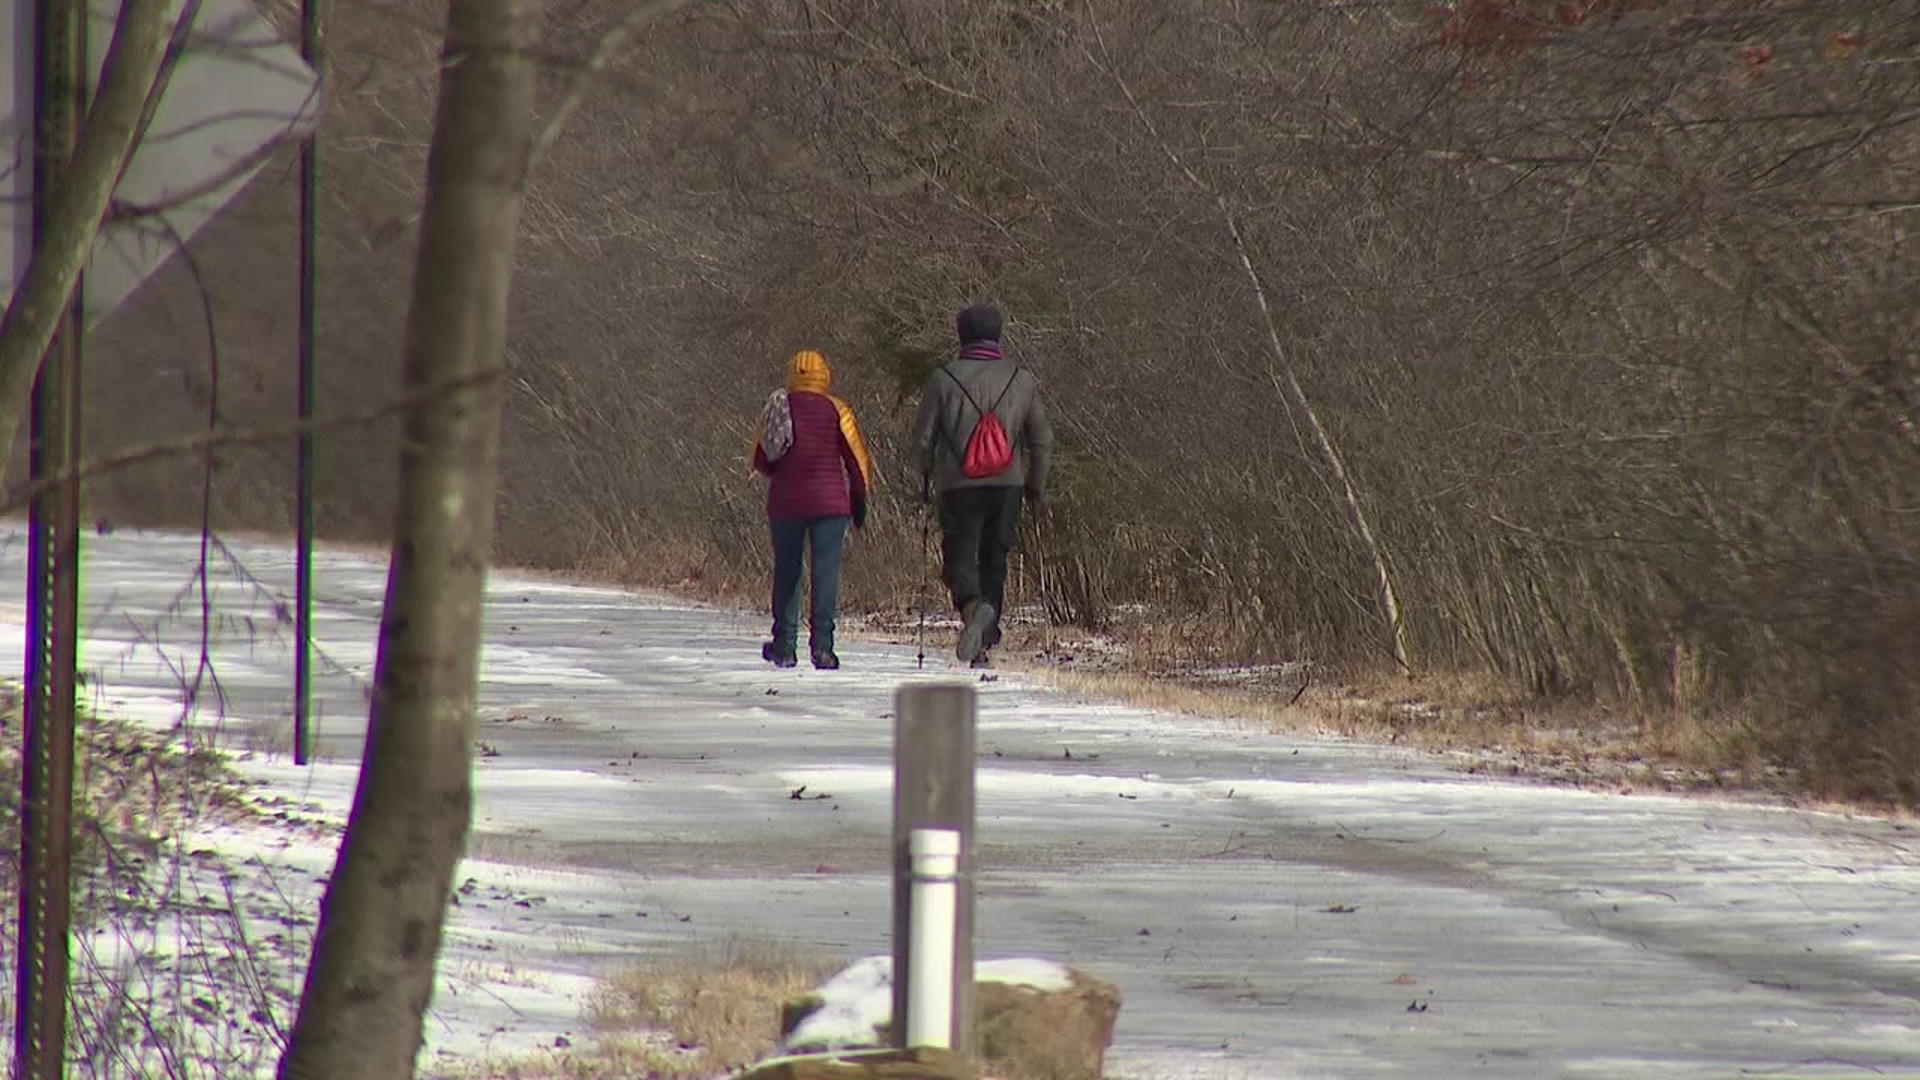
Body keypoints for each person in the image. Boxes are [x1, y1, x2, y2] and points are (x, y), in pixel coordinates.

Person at [911, 304, 1052, 667]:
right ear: (997, 334)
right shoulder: (1020, 379)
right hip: (1007, 483)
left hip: (958, 484)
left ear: (962, 335)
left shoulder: (944, 379)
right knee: (995, 556)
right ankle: (986, 631)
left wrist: (926, 475)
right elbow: (1041, 438)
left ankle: (973, 609)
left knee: (958, 556)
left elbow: (923, 438)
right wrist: (1035, 484)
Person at [751, 349, 872, 670]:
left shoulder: (777, 407)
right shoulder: (837, 410)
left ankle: (785, 645)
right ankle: (823, 648)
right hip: (830, 504)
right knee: (825, 572)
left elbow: (761, 459)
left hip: (786, 503)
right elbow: (857, 460)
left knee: (788, 571)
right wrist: (859, 499)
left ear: (792, 374)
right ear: (824, 375)